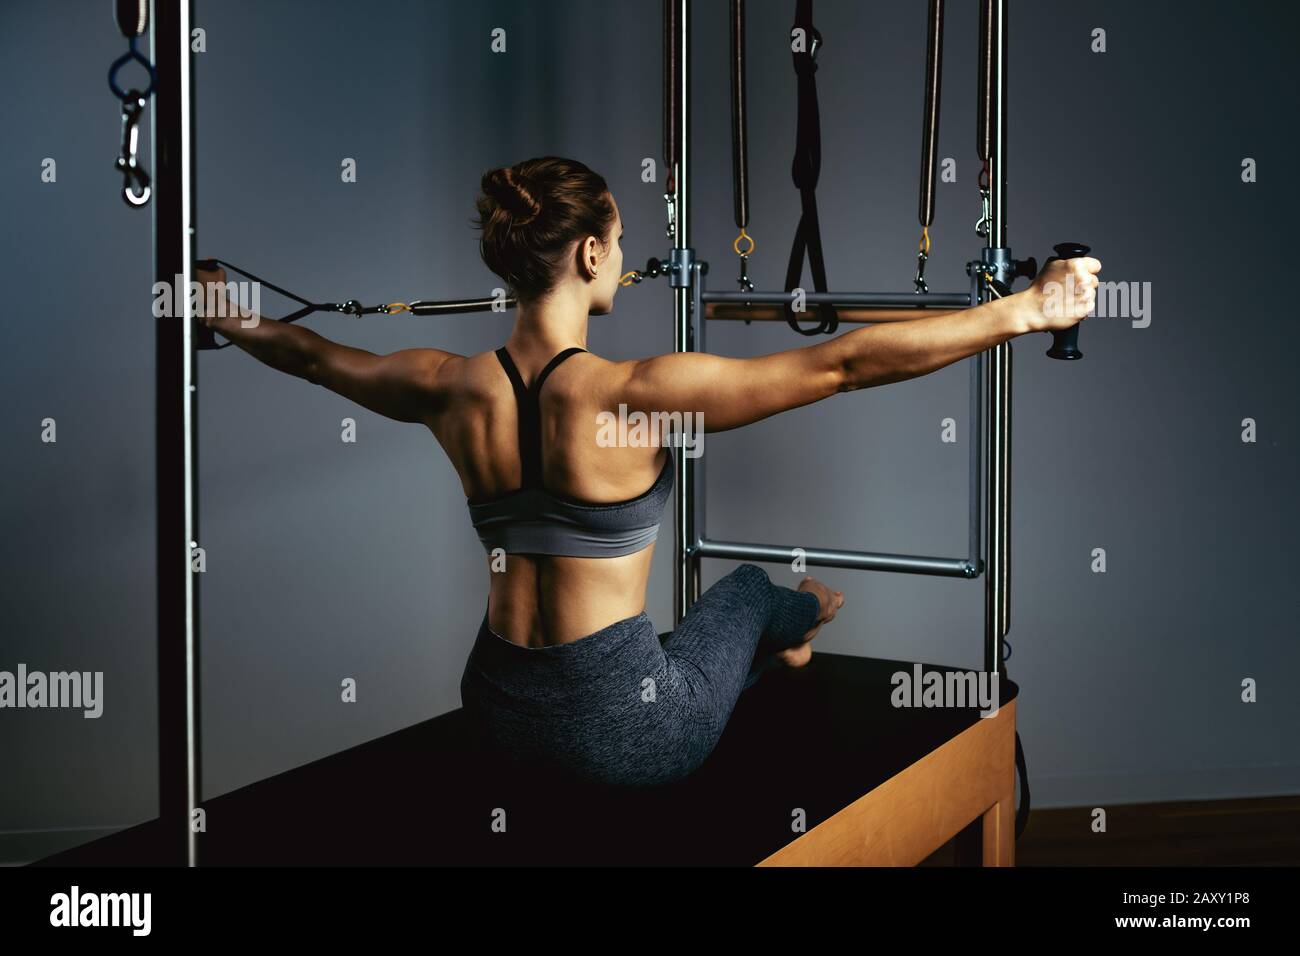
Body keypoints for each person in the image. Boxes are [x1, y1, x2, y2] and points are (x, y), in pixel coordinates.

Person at [195, 155, 1100, 788]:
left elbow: (314, 356)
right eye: (621, 243)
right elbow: (843, 364)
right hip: (627, 735)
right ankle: (801, 623)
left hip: (496, 713)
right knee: (744, 591)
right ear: (590, 254)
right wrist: (1027, 308)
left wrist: (229, 316)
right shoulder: (636, 394)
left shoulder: (446, 386)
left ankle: (767, 649)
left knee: (680, 650)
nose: (626, 262)